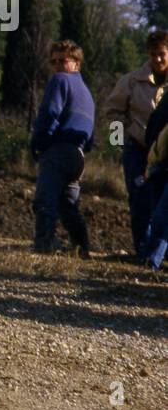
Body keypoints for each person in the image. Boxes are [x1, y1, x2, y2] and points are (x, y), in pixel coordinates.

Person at [102, 30, 168, 259]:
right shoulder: (131, 81)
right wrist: (118, 143)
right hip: (137, 149)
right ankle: (143, 250)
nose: (158, 60)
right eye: (153, 54)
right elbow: (113, 112)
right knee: (140, 202)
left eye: (162, 54)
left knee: (163, 205)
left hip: (165, 155)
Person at [30, 40, 94, 256]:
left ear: (76, 63)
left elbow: (49, 113)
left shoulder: (59, 81)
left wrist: (39, 140)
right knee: (68, 205)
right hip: (79, 156)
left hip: (58, 149)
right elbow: (91, 134)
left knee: (45, 200)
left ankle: (43, 244)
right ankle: (82, 246)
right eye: (53, 61)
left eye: (62, 60)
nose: (56, 66)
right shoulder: (87, 94)